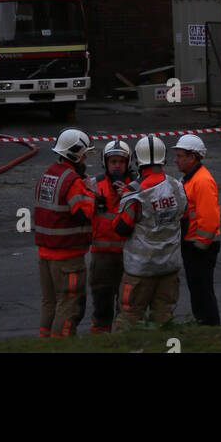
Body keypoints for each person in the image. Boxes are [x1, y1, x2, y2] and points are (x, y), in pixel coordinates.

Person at [112, 134, 187, 329]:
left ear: (138, 159)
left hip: (140, 270)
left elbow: (121, 228)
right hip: (169, 266)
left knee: (128, 319)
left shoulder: (135, 192)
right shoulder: (177, 186)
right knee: (164, 319)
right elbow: (183, 215)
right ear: (163, 158)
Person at [34, 128, 96, 339]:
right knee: (69, 305)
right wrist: (89, 191)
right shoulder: (73, 181)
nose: (86, 157)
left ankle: (45, 343)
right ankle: (62, 345)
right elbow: (83, 213)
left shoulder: (48, 175)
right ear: (75, 153)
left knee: (49, 302)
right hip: (67, 258)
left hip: (45, 255)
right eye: (84, 153)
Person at [89, 138, 136, 333]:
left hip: (128, 254)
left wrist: (128, 195)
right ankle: (100, 337)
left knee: (128, 301)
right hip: (102, 255)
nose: (117, 166)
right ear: (105, 163)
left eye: (121, 162)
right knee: (101, 300)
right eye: (113, 161)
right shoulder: (94, 184)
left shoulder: (135, 186)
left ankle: (124, 337)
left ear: (128, 163)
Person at [174, 133, 221, 325]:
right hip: (194, 244)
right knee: (198, 289)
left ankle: (208, 324)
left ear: (192, 157)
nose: (175, 160)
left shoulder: (201, 181)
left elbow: (209, 220)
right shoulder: (192, 179)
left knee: (202, 290)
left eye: (179, 156)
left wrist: (199, 247)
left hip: (199, 247)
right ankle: (204, 322)